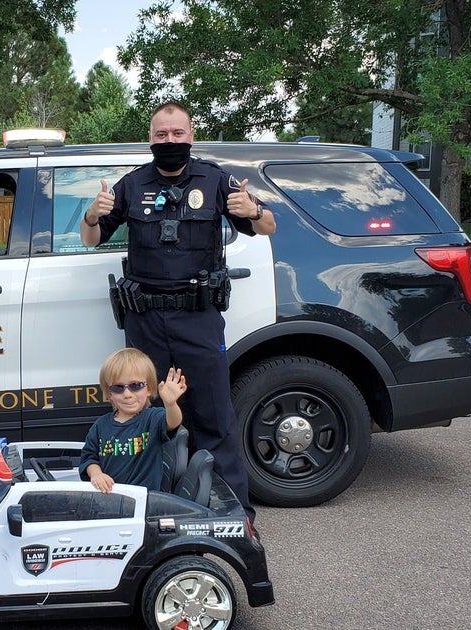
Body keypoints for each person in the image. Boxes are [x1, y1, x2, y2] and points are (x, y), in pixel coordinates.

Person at [79, 101, 277, 521]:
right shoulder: (131, 185)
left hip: (198, 319)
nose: (169, 141)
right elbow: (91, 239)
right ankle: (149, 511)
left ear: (191, 136)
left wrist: (254, 211)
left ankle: (235, 515)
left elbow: (268, 226)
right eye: (161, 135)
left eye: (177, 134)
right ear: (150, 139)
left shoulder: (216, 179)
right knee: (141, 414)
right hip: (145, 321)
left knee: (213, 416)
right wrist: (91, 214)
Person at [80, 348, 187, 493]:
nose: (127, 394)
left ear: (149, 389)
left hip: (143, 503)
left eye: (136, 386)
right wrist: (96, 474)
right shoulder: (100, 425)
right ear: (109, 393)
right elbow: (89, 458)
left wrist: (170, 404)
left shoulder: (153, 419)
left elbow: (173, 422)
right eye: (118, 387)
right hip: (109, 499)